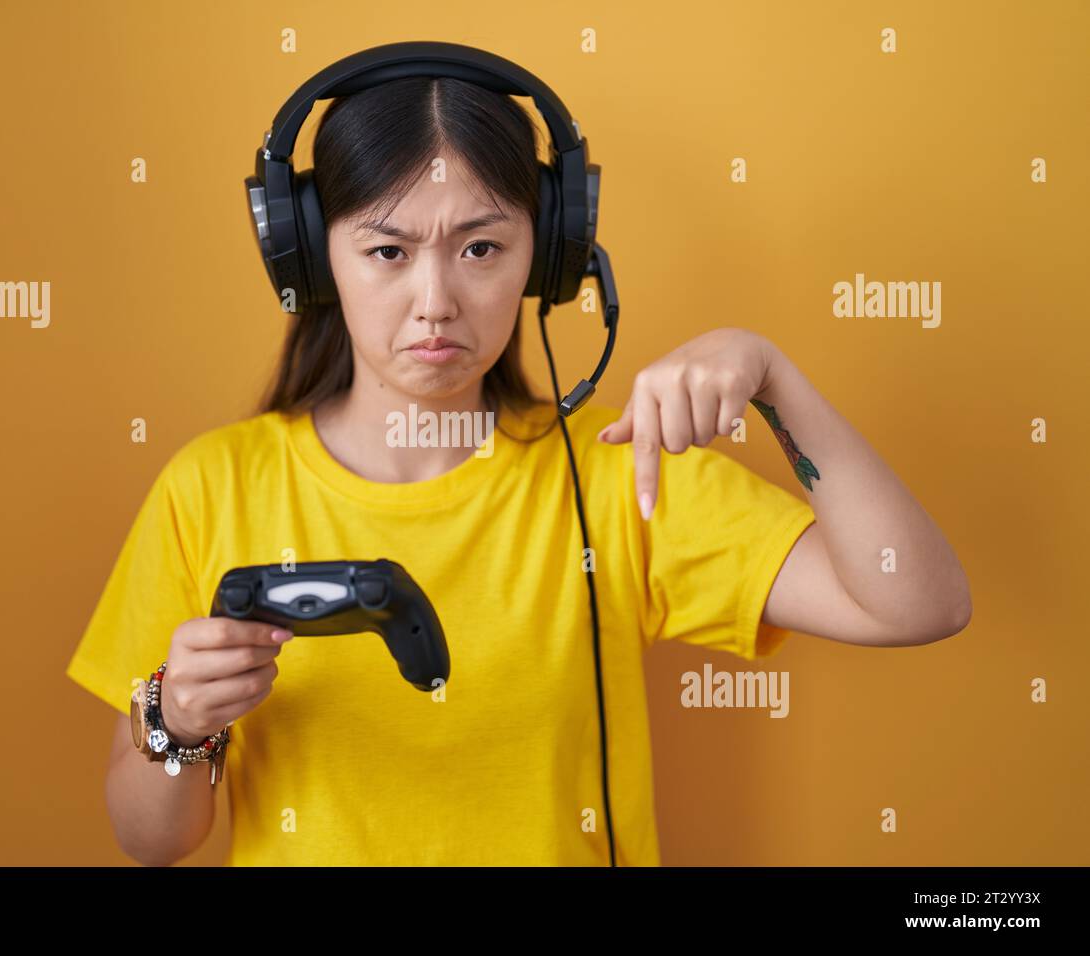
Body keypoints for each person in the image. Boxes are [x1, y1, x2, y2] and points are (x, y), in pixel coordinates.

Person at [65, 75, 971, 867]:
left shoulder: (620, 475)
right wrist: (176, 725)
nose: (435, 303)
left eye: (481, 248)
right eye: (387, 251)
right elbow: (153, 841)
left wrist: (773, 379)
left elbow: (918, 603)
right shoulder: (211, 486)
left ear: (551, 254)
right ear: (311, 257)